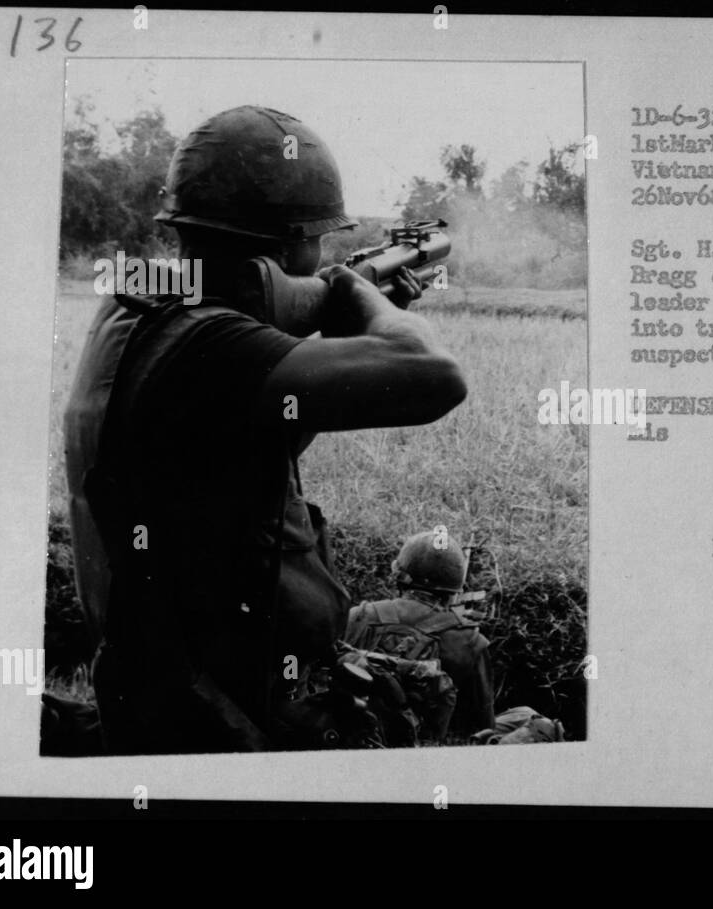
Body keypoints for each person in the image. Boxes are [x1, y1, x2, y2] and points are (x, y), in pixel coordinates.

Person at [63, 105, 467, 753]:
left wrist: (332, 325)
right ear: (291, 244)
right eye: (318, 242)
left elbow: (242, 455)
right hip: (227, 715)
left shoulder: (135, 311)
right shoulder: (215, 344)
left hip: (169, 682)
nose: (323, 255)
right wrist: (359, 296)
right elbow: (437, 377)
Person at [344, 530, 495, 735]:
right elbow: (482, 727)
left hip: (349, 738)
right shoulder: (471, 641)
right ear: (455, 588)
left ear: (399, 576)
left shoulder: (359, 616)